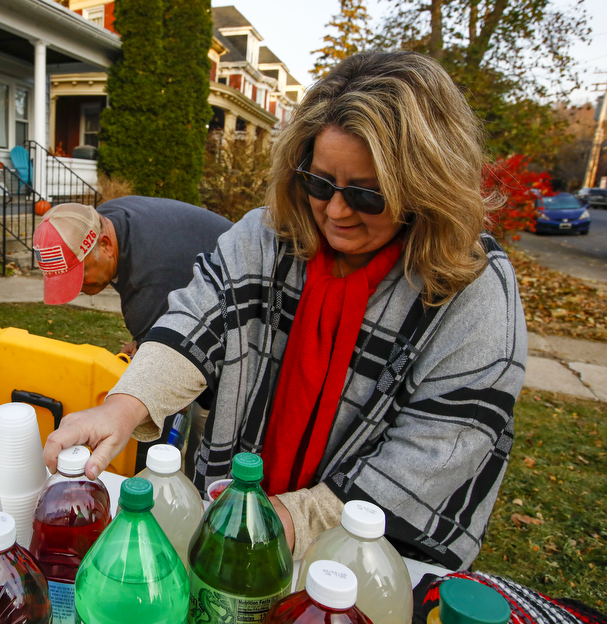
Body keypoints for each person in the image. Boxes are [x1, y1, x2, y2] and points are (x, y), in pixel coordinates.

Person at [42, 51, 527, 571]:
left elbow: (433, 456)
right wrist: (125, 404)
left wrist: (288, 520)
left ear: (425, 184)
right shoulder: (267, 234)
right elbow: (197, 320)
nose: (336, 212)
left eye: (367, 195)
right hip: (240, 522)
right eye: (320, 183)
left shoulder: (475, 291)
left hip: (372, 559)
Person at [33, 197, 232, 355]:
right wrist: (143, 340)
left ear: (106, 245)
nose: (77, 288)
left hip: (244, 293)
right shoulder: (106, 219)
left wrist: (149, 344)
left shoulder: (147, 282)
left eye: (81, 273)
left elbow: (165, 366)